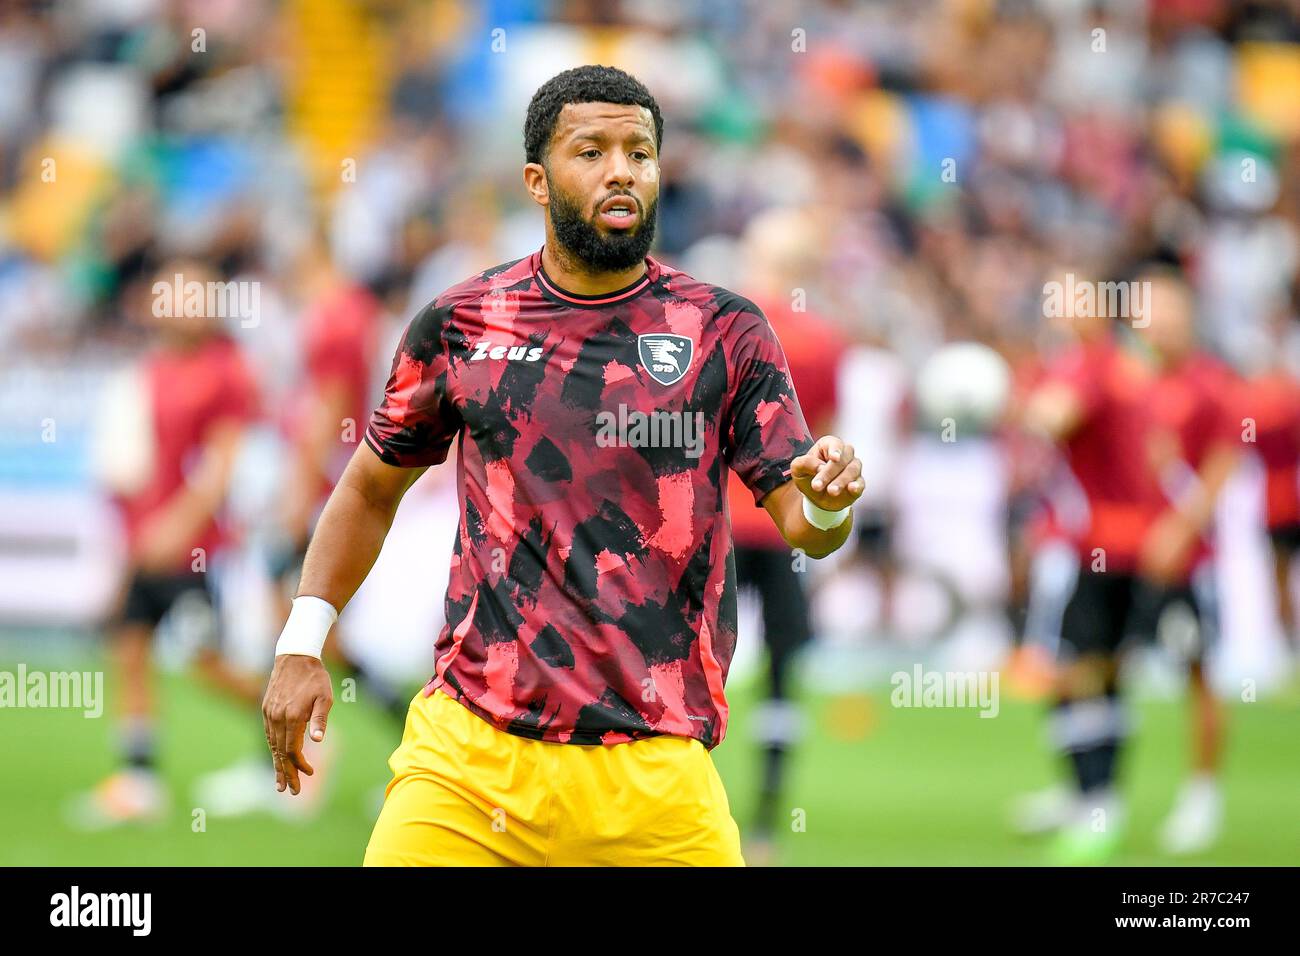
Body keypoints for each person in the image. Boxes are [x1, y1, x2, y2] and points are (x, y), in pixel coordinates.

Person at [261, 65, 866, 866]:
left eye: (640, 152)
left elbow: (803, 524)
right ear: (538, 181)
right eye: (593, 150)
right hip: (469, 760)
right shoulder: (463, 324)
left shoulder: (725, 330)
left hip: (654, 774)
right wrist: (302, 643)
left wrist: (827, 500)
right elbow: (372, 487)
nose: (622, 169)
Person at [77, 259, 261, 828]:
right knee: (128, 651)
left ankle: (288, 727)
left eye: (196, 294)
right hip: (144, 545)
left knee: (205, 664)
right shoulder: (148, 372)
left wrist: (176, 528)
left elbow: (221, 466)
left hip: (191, 549)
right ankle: (138, 779)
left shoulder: (225, 372)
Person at [1017, 267, 1161, 865]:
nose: (1059, 309)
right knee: (1093, 671)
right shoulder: (1121, 363)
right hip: (1118, 540)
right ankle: (1086, 798)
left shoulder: (1092, 362)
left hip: (1102, 544)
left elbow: (1050, 418)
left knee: (1078, 671)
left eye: (1070, 299)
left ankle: (1097, 805)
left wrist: (1005, 395)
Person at [1131, 269, 1239, 855]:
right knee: (1099, 665)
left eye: (1171, 312)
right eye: (1152, 312)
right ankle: (1098, 795)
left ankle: (1203, 796)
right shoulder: (1133, 384)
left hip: (1186, 558)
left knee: (1197, 671)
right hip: (1124, 554)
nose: (1161, 325)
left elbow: (1223, 467)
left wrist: (1180, 528)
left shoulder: (1210, 385)